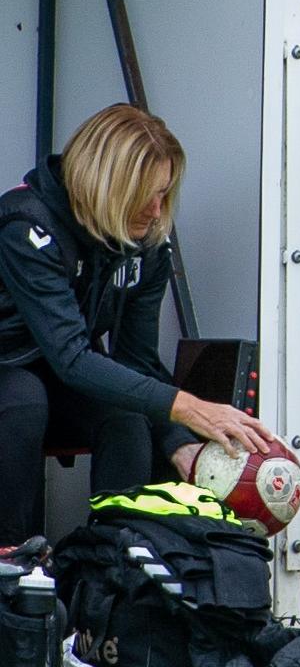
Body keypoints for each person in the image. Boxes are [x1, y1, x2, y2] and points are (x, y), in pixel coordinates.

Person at [0, 104, 277, 550]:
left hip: (61, 375)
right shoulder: (27, 225)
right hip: (12, 376)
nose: (155, 209)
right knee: (23, 400)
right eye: (143, 195)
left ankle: (114, 569)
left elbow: (136, 359)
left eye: (164, 193)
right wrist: (190, 409)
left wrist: (179, 442)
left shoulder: (146, 241)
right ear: (102, 187)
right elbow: (71, 358)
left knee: (128, 414)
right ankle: (11, 569)